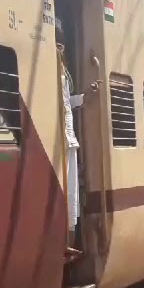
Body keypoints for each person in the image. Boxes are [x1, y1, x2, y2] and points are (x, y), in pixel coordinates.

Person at [57, 19, 83, 260]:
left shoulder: (63, 72)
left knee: (72, 194)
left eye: (61, 44)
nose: (59, 48)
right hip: (60, 138)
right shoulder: (51, 70)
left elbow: (67, 102)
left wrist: (85, 98)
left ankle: (70, 241)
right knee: (64, 194)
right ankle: (64, 242)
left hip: (69, 137)